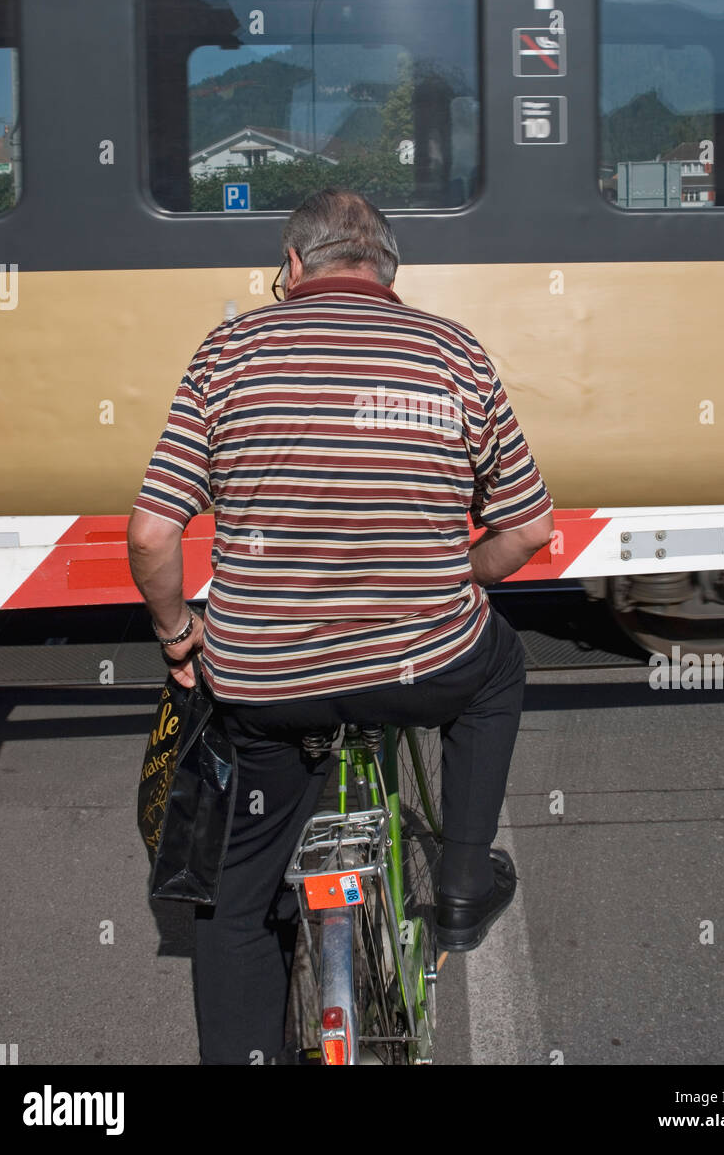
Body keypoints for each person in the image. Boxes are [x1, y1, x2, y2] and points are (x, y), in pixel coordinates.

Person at [127, 188, 553, 1064]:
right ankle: (467, 880)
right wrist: (454, 575)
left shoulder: (231, 351)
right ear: (389, 271)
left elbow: (152, 533)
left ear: (293, 267)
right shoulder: (453, 353)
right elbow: (527, 530)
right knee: (499, 670)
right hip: (424, 660)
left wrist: (178, 642)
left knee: (234, 905)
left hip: (265, 681)